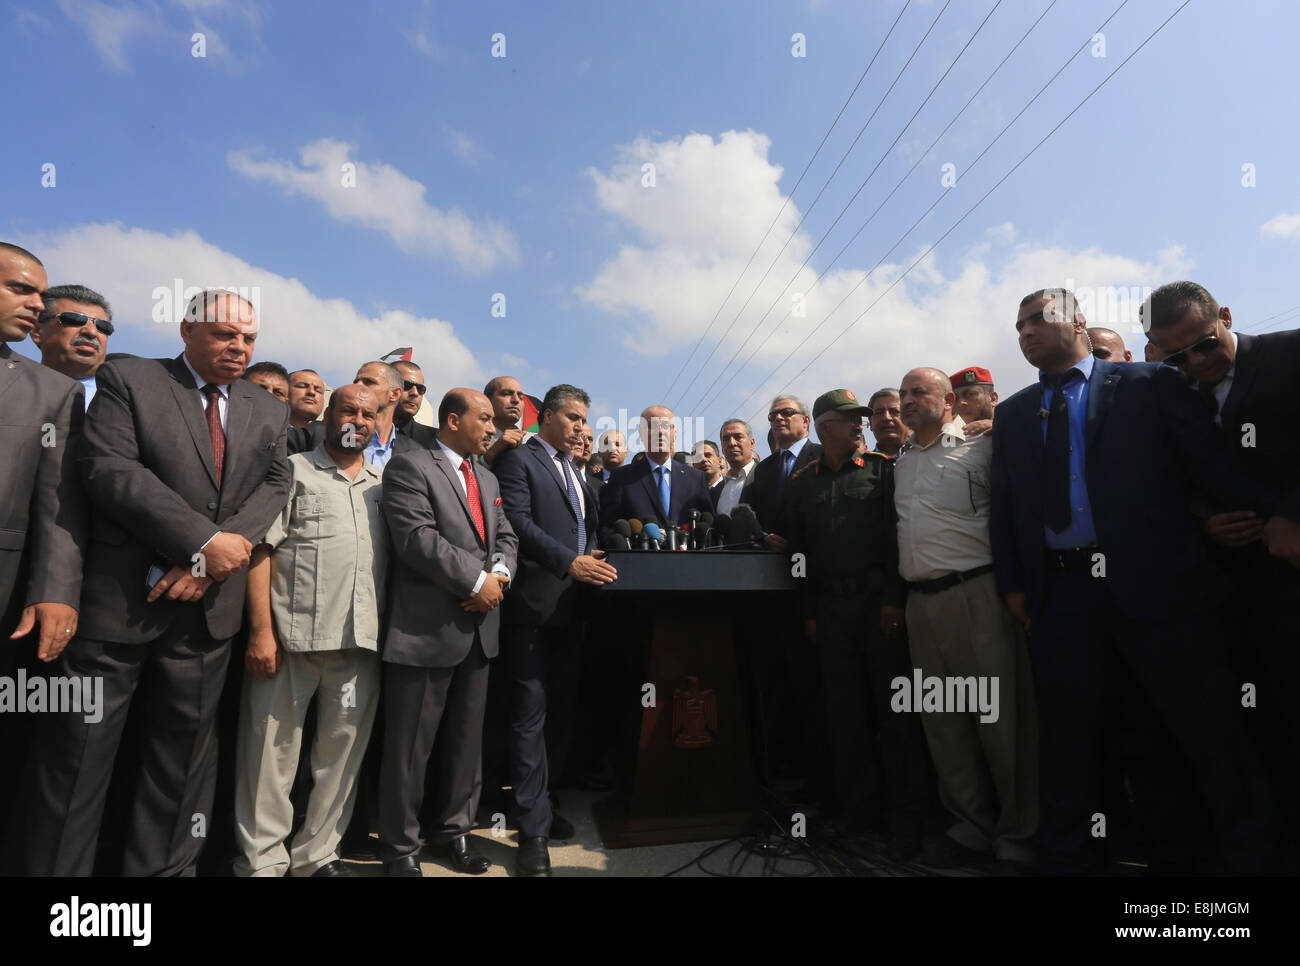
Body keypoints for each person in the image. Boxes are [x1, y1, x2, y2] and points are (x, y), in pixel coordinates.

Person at [990, 287, 1287, 874]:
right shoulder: (1015, 413)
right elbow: (1006, 507)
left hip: (1159, 587)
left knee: (1207, 734)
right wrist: (1014, 585)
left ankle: (1255, 860)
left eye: (1036, 320)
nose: (1024, 333)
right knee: (1071, 743)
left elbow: (1206, 468)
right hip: (1062, 596)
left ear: (1076, 320)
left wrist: (1277, 514)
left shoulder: (1151, 385)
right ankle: (1067, 859)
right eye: (1018, 326)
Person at [11, 288, 291, 876]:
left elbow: (273, 483)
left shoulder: (266, 408)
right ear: (187, 331)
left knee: (181, 767)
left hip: (207, 617)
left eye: (249, 338)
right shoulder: (130, 379)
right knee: (77, 765)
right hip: (118, 610)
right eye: (225, 334)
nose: (239, 346)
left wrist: (216, 555)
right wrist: (199, 543)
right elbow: (109, 469)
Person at [1142, 280, 1300, 831]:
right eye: (1177, 356)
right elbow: (1175, 472)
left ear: (1226, 316)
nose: (1197, 362)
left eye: (1205, 345)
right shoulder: (1171, 390)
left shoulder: (1289, 353)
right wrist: (1204, 518)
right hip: (1234, 590)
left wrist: (1290, 514)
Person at [234, 385, 386, 878]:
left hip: (359, 646)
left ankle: (317, 856)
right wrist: (260, 633)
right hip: (290, 643)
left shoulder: (384, 487)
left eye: (368, 414)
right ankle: (262, 862)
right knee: (269, 761)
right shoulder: (293, 473)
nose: (358, 420)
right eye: (349, 410)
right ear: (327, 414)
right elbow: (261, 552)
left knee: (339, 760)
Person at [895, 368, 1037, 871]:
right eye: (904, 393)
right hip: (921, 604)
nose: (908, 401)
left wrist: (995, 422)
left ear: (949, 400)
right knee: (944, 725)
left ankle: (1021, 837)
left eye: (920, 393)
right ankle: (969, 828)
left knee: (1002, 722)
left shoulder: (984, 444)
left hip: (977, 594)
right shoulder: (901, 458)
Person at [378, 388, 518, 877]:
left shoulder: (487, 474)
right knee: (409, 749)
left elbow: (504, 536)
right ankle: (400, 848)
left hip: (480, 631)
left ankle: (454, 833)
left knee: (466, 744)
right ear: (453, 419)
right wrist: (477, 581)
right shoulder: (410, 466)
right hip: (425, 631)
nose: (492, 428)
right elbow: (416, 539)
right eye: (485, 419)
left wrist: (498, 576)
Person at [784, 389, 928, 859]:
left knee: (894, 714)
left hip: (878, 606)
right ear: (826, 426)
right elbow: (799, 555)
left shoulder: (884, 471)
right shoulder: (803, 482)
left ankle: (904, 817)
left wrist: (893, 600)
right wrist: (808, 611)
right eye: (851, 420)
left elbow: (895, 539)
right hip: (830, 610)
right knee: (845, 716)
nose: (860, 425)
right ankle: (860, 813)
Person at [492, 384, 615, 876]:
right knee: (529, 717)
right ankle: (532, 834)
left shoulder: (575, 470)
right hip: (532, 610)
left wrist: (597, 557)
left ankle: (544, 805)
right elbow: (517, 522)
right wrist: (571, 562)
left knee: (561, 715)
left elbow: (585, 528)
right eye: (573, 417)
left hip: (573, 611)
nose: (581, 427)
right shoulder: (520, 462)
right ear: (544, 416)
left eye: (586, 420)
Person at [0, 245, 88, 843]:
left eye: (40, 294)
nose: (37, 305)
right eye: (20, 289)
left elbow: (57, 504)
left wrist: (55, 590)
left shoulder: (48, 391)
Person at [598, 405, 712, 543]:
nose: (660, 432)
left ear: (674, 433)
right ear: (641, 433)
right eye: (652, 426)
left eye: (665, 426)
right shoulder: (622, 477)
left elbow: (708, 526)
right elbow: (608, 528)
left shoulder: (695, 477)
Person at [750, 395, 821, 548]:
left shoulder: (824, 456)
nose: (778, 418)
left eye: (787, 412)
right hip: (769, 561)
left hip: (813, 557)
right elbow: (757, 513)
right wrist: (764, 537)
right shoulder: (763, 468)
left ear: (806, 421)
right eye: (772, 415)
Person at [32, 283, 114, 411]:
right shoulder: (9, 388)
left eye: (102, 326)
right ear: (37, 332)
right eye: (74, 319)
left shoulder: (132, 397)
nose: (91, 332)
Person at [481, 375, 531, 467]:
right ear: (487, 400)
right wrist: (491, 454)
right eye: (507, 394)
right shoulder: (469, 434)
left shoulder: (526, 446)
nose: (516, 400)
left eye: (521, 397)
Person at [715, 419, 759, 516]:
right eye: (726, 439)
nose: (732, 443)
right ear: (722, 447)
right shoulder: (717, 490)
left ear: (752, 443)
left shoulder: (766, 475)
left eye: (738, 437)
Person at [393, 359, 438, 448]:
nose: (415, 393)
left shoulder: (436, 441)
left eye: (420, 389)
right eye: (406, 385)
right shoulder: (360, 431)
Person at [949, 367, 997, 437]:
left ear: (993, 399)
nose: (961, 403)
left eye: (970, 394)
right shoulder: (945, 442)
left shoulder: (1015, 424)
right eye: (955, 399)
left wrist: (999, 425)